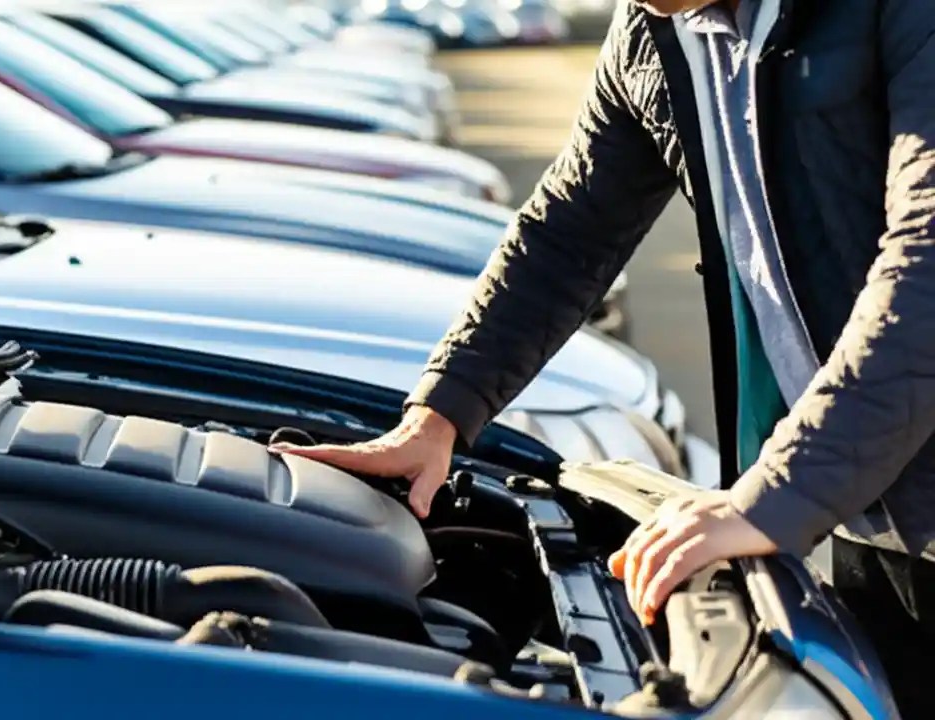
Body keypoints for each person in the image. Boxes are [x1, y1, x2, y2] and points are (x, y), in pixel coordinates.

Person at [270, 0, 935, 713]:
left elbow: (926, 272)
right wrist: (436, 417)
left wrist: (775, 495)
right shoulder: (655, 28)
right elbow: (569, 228)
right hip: (866, 507)